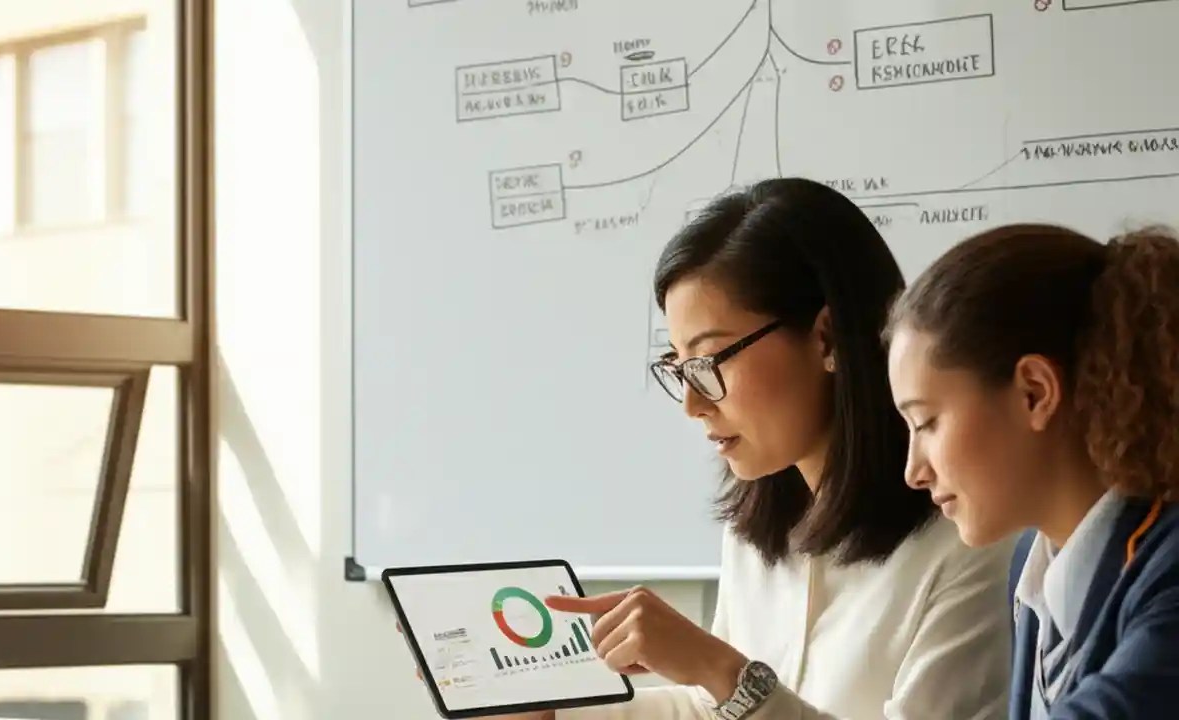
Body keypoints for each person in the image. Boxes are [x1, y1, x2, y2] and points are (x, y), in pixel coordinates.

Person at [409, 178, 1013, 719]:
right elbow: (715, 713)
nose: (692, 404)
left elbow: (734, 696)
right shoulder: (761, 527)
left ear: (825, 336)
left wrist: (720, 670)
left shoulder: (972, 543)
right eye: (679, 367)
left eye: (709, 361)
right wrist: (551, 713)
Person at [884, 222, 1179, 719]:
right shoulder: (1031, 563)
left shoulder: (1167, 570)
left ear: (1035, 393)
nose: (914, 471)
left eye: (927, 422)